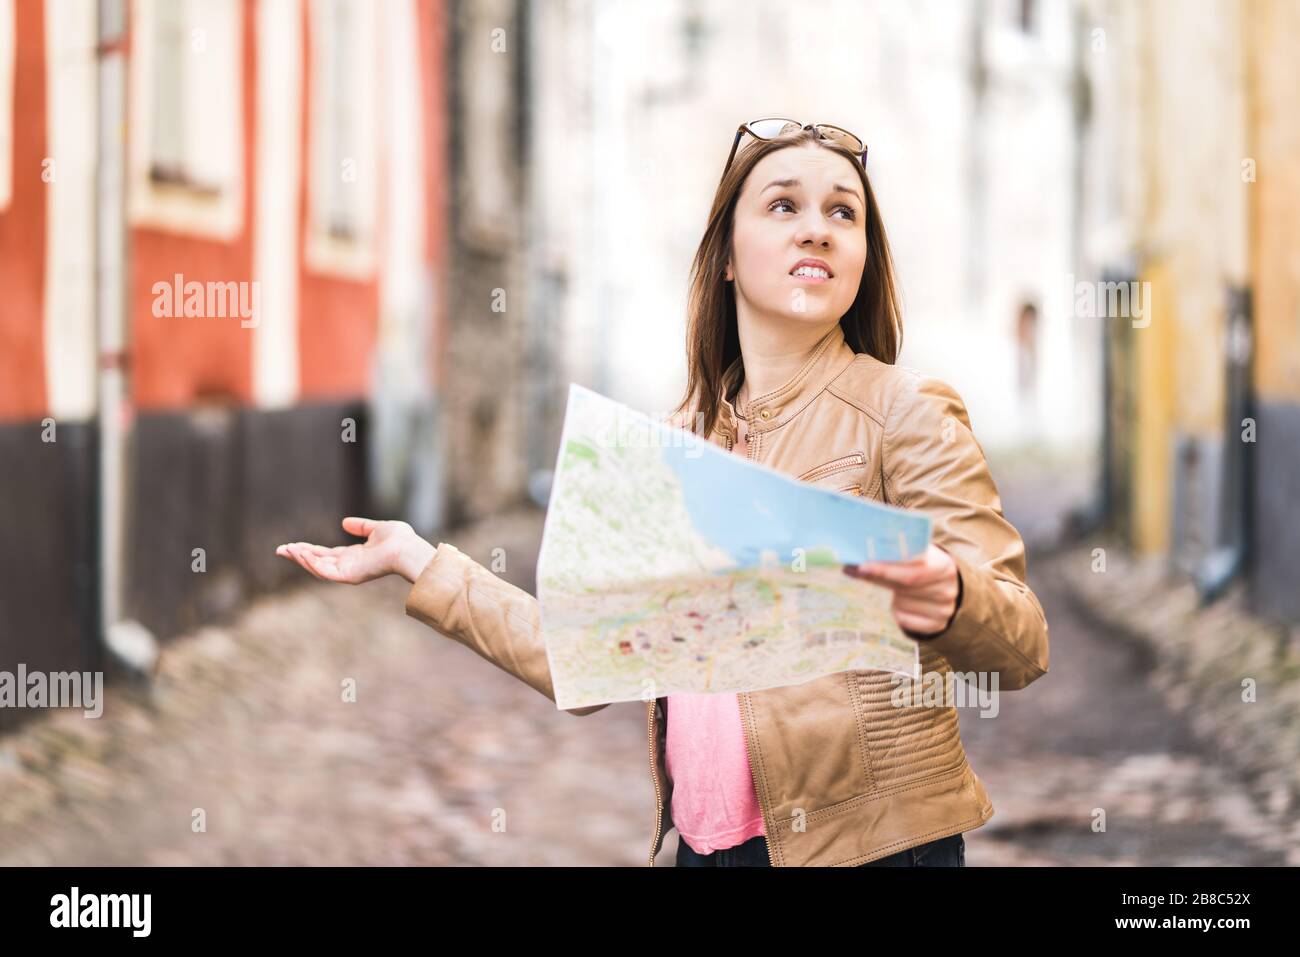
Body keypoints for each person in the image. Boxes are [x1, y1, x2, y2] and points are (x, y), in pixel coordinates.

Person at [277, 120, 1050, 868]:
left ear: (862, 258)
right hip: (704, 849)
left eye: (842, 212)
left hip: (872, 849)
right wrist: (421, 562)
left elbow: (1020, 641)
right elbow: (582, 658)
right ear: (725, 257)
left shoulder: (904, 411)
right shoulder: (670, 444)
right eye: (784, 204)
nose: (817, 228)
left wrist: (951, 596)